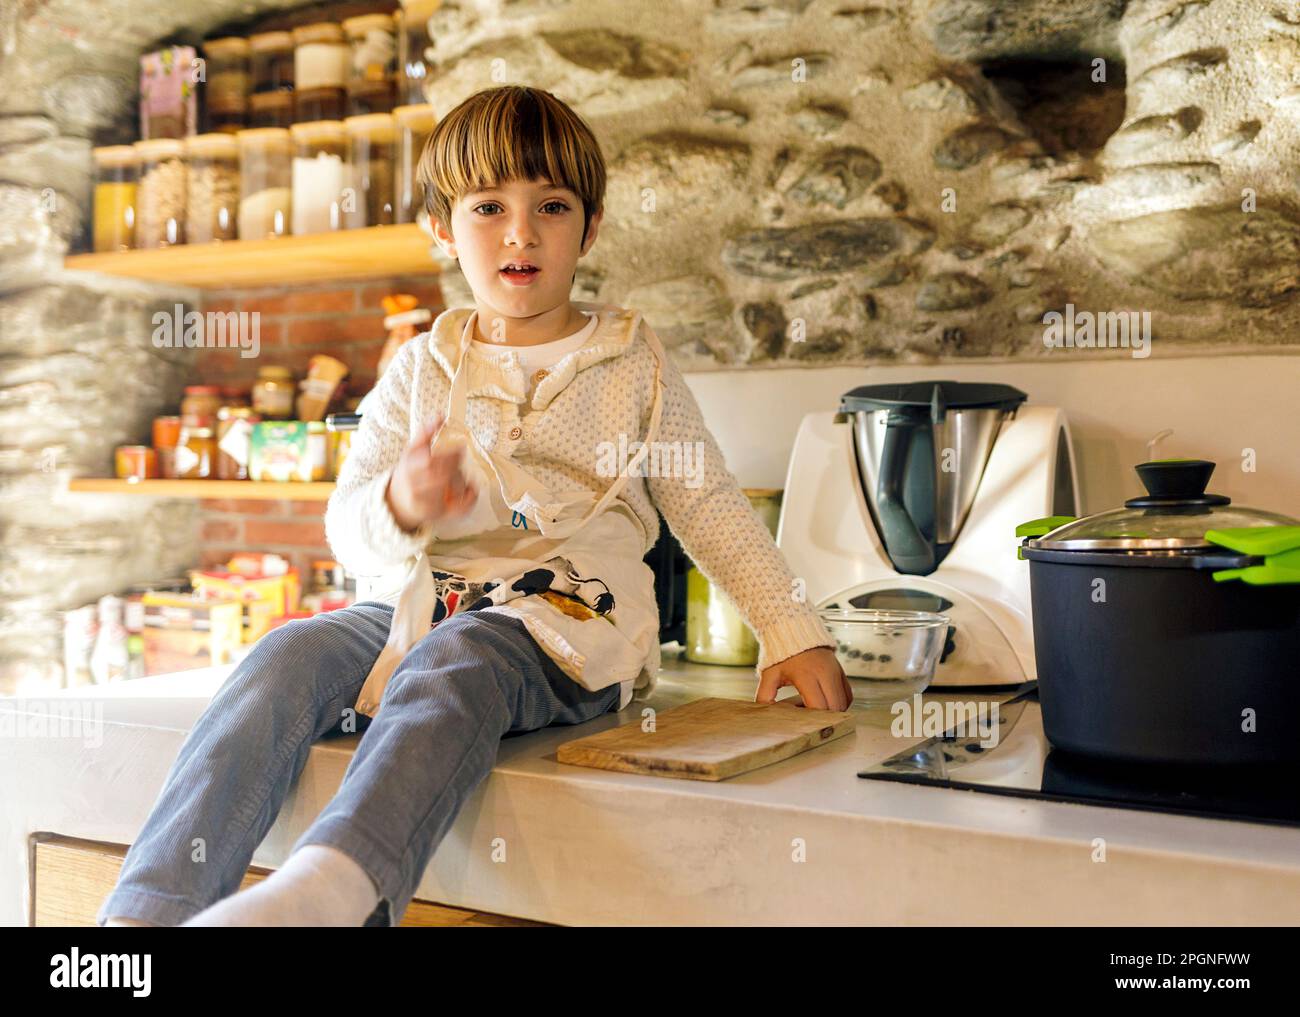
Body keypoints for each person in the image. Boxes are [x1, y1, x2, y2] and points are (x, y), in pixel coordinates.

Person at [97, 85, 849, 928]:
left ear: (589, 228)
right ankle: (142, 918)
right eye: (489, 206)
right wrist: (400, 501)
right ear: (442, 229)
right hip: (411, 609)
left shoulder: (636, 363)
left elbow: (707, 500)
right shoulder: (422, 367)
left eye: (551, 205)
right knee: (287, 652)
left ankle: (331, 891)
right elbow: (347, 530)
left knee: (458, 660)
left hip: (560, 621)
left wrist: (793, 629)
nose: (521, 231)